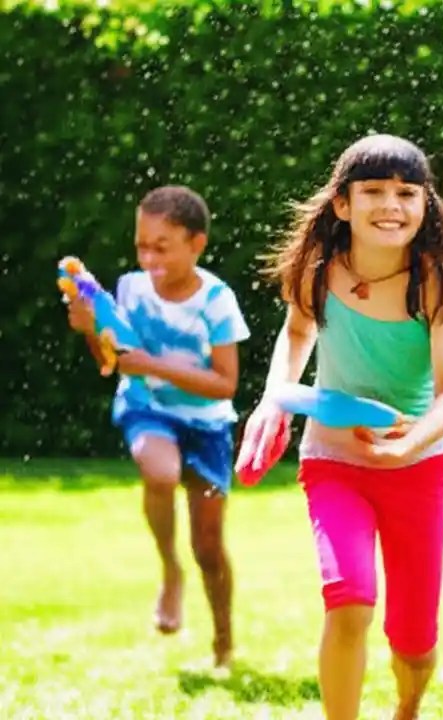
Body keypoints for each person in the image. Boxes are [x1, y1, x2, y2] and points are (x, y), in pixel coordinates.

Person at [234, 134, 443, 720]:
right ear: (342, 203)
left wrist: (408, 444)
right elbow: (297, 335)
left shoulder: (439, 283)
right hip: (334, 462)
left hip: (418, 468)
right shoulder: (317, 272)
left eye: (405, 193)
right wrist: (275, 401)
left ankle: (407, 705)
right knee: (348, 599)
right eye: (373, 192)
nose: (390, 205)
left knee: (413, 640)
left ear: (425, 207)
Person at [65, 185, 246, 671]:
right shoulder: (129, 289)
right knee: (160, 472)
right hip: (149, 409)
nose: (148, 257)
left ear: (196, 244)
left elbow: (225, 384)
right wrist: (88, 329)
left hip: (207, 425)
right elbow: (113, 362)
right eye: (141, 245)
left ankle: (224, 642)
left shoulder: (216, 302)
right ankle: (169, 571)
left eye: (161, 247)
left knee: (209, 547)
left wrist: (155, 364)